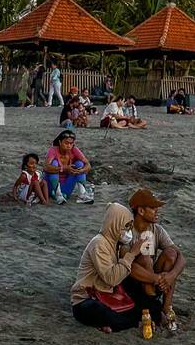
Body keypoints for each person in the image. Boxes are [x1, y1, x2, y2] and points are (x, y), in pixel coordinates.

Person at [70, 203, 143, 332]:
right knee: (95, 310)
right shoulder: (99, 244)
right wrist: (131, 254)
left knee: (137, 295)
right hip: (87, 299)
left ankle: (111, 324)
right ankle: (131, 323)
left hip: (107, 295)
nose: (128, 232)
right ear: (115, 224)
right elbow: (111, 278)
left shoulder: (114, 244)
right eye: (125, 227)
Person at [123, 187, 185, 334]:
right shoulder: (127, 232)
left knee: (171, 254)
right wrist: (157, 278)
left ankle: (166, 307)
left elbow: (180, 257)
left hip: (154, 283)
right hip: (132, 285)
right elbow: (126, 265)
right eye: (153, 207)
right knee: (145, 258)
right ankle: (153, 308)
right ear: (141, 211)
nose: (157, 210)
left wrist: (170, 276)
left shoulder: (157, 229)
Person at [43, 130, 94, 203]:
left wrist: (82, 171)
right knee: (54, 163)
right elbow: (46, 167)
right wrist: (63, 168)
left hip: (67, 186)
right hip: (52, 186)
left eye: (71, 143)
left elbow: (88, 164)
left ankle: (82, 194)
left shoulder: (74, 149)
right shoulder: (53, 150)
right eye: (66, 143)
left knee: (80, 164)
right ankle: (58, 194)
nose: (69, 145)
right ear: (60, 142)